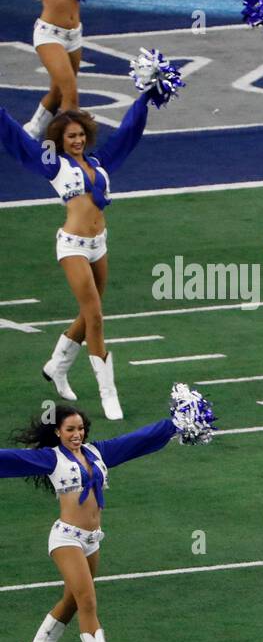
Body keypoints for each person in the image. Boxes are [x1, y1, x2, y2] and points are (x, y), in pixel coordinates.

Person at [0, 404, 193, 642]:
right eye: (70, 430)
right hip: (66, 539)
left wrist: (174, 424)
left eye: (80, 429)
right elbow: (9, 459)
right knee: (88, 601)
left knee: (74, 599)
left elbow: (136, 441)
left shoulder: (99, 453)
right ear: (57, 432)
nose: (77, 434)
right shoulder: (50, 459)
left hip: (92, 539)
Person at [1, 93, 161, 420]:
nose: (77, 140)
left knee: (89, 313)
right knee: (96, 317)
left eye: (80, 134)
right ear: (60, 139)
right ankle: (108, 393)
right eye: (70, 136)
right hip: (72, 245)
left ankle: (57, 366)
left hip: (99, 244)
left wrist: (144, 98)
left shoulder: (100, 163)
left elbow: (127, 135)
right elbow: (17, 138)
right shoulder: (53, 164)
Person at [24, 0, 86, 139]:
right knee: (70, 95)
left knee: (57, 94)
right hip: (49, 36)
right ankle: (66, 152)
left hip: (74, 36)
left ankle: (31, 132)